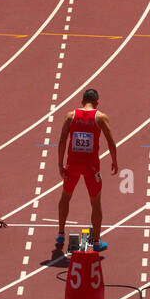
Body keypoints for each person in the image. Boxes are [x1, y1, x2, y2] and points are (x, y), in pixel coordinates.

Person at [55, 88, 118, 253]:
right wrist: (114, 161)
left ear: (81, 101)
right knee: (95, 202)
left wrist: (60, 164)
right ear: (97, 103)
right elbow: (111, 142)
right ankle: (96, 242)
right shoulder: (101, 117)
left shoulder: (70, 116)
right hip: (91, 167)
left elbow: (62, 141)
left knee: (65, 196)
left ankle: (61, 234)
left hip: (73, 164)